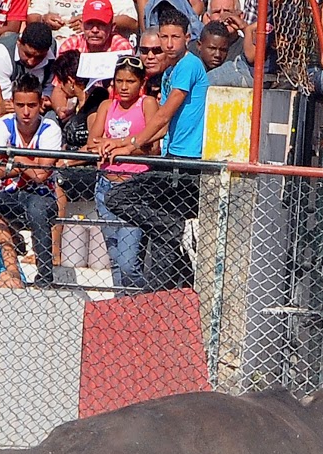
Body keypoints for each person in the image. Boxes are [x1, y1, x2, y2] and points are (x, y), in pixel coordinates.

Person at [101, 8, 207, 290]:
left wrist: (132, 144)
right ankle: (174, 234)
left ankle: (178, 228)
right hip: (171, 158)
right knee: (162, 246)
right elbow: (163, 127)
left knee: (117, 198)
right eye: (164, 37)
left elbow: (162, 116)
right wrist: (124, 143)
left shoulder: (188, 66)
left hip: (186, 162)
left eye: (175, 37)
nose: (169, 43)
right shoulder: (171, 70)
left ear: (187, 37)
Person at [0, 72, 60, 285]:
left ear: (41, 103)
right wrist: (24, 165)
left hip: (43, 195)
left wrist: (13, 157)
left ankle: (45, 276)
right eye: (20, 105)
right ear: (13, 103)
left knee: (37, 210)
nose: (26, 112)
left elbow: (41, 176)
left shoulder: (50, 128)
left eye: (31, 105)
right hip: (10, 194)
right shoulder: (3, 124)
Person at [87, 52, 151, 289]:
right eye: (119, 81)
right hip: (105, 185)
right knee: (114, 259)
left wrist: (119, 145)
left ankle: (142, 300)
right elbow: (92, 141)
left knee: (128, 261)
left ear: (141, 82)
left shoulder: (146, 104)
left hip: (133, 187)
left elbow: (153, 147)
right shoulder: (107, 106)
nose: (124, 87)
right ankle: (121, 306)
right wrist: (103, 145)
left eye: (130, 81)